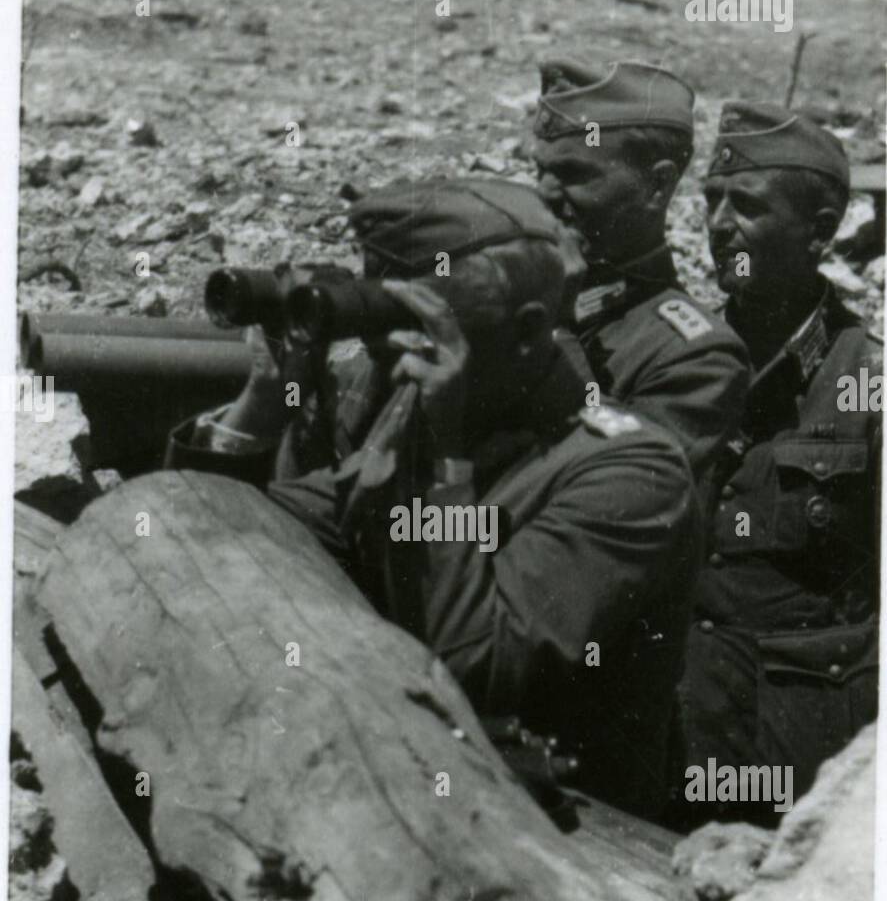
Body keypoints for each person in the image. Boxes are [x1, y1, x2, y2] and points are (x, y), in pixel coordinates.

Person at [167, 178, 701, 817]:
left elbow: (477, 668)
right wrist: (261, 404)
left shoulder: (630, 472)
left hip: (575, 834)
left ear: (529, 331)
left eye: (417, 325)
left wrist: (448, 463)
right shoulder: (416, 412)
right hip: (399, 786)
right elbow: (227, 545)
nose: (383, 353)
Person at [676, 102, 881, 820]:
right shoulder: (676, 361)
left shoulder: (867, 387)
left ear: (820, 233)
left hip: (794, 763)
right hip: (669, 735)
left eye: (747, 206)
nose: (719, 223)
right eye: (710, 201)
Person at [532, 58, 749, 481]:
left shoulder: (699, 358)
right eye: (540, 171)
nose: (544, 194)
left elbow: (625, 488)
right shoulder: (523, 299)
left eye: (574, 174)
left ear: (658, 185)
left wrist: (554, 334)